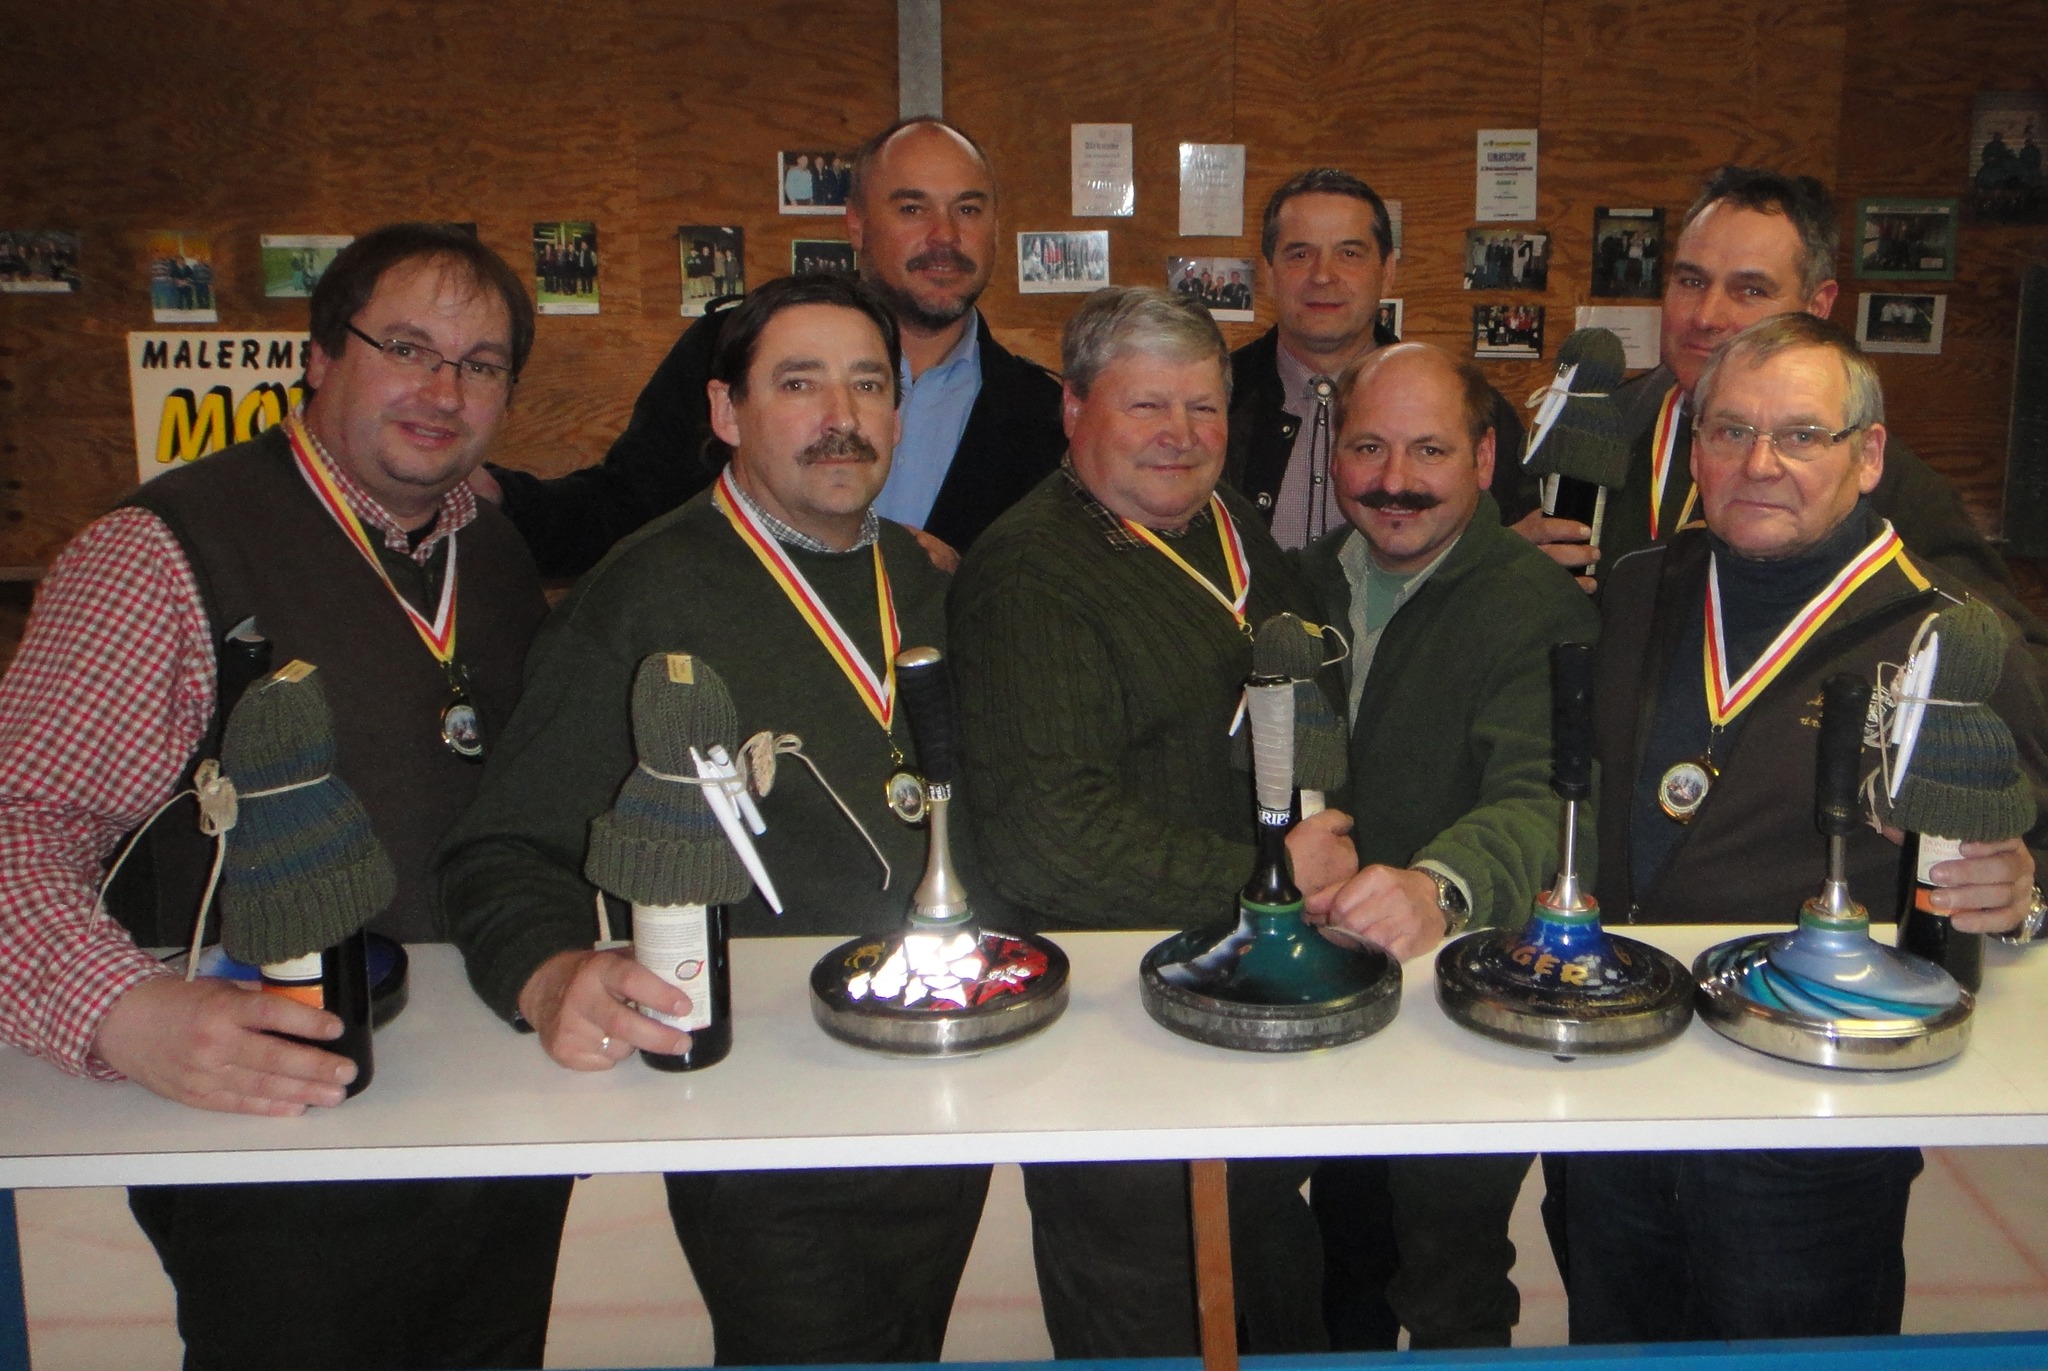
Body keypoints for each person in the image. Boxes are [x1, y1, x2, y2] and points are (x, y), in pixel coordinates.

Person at [0, 223, 571, 1370]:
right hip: (271, 1129)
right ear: (320, 356)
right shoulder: (161, 551)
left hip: (492, 1118)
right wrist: (122, 1011)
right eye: (407, 347)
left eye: (481, 363)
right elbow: (18, 825)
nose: (442, 390)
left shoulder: (494, 553)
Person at [440, 273, 988, 1366]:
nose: (841, 416)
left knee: (906, 1341)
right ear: (726, 414)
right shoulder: (642, 596)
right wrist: (549, 974)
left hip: (932, 1063)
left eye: (868, 384)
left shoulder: (922, 580)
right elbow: (501, 849)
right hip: (760, 1101)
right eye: (799, 383)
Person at [1550, 311, 2048, 1344]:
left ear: (1866, 456)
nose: (1757, 463)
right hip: (1616, 1073)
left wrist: (2025, 891)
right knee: (1616, 1340)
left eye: (1798, 435)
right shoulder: (1635, 589)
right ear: (1694, 450)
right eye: (1727, 431)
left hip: (1811, 1110)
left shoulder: (1946, 635)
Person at [951, 285, 1357, 1358]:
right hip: (1111, 1031)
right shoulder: (1029, 573)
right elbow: (1046, 839)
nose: (1180, 436)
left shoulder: (1227, 528)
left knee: (1271, 1286)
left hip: (1241, 996)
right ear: (1073, 408)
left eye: (1204, 407)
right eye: (1145, 408)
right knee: (1145, 1314)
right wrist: (1269, 879)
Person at [1294, 344, 1598, 1352]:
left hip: (1464, 1001)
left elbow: (1544, 800)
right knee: (1338, 1240)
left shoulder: (1533, 607)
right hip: (1318, 986)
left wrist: (1443, 887)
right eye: (1368, 446)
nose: (1392, 480)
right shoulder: (1290, 588)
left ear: (1481, 459)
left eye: (1428, 449)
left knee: (1447, 1258)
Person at [479, 116, 1064, 578]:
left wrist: (961, 582)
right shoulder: (736, 349)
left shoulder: (1045, 415)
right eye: (912, 208)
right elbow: (623, 514)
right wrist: (499, 500)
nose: (945, 236)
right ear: (856, 226)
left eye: (968, 209)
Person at [1516, 166, 2039, 641]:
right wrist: (1500, 569)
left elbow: (2009, 655)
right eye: (1691, 281)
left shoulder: (1867, 472)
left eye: (1750, 291)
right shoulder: (1585, 432)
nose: (1707, 315)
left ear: (1816, 307)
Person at [1228, 168, 1531, 550]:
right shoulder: (1213, 401)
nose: (1323, 275)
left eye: (1349, 253)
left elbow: (1512, 541)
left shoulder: (1468, 406)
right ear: (1269, 274)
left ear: (1387, 272)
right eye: (1300, 254)